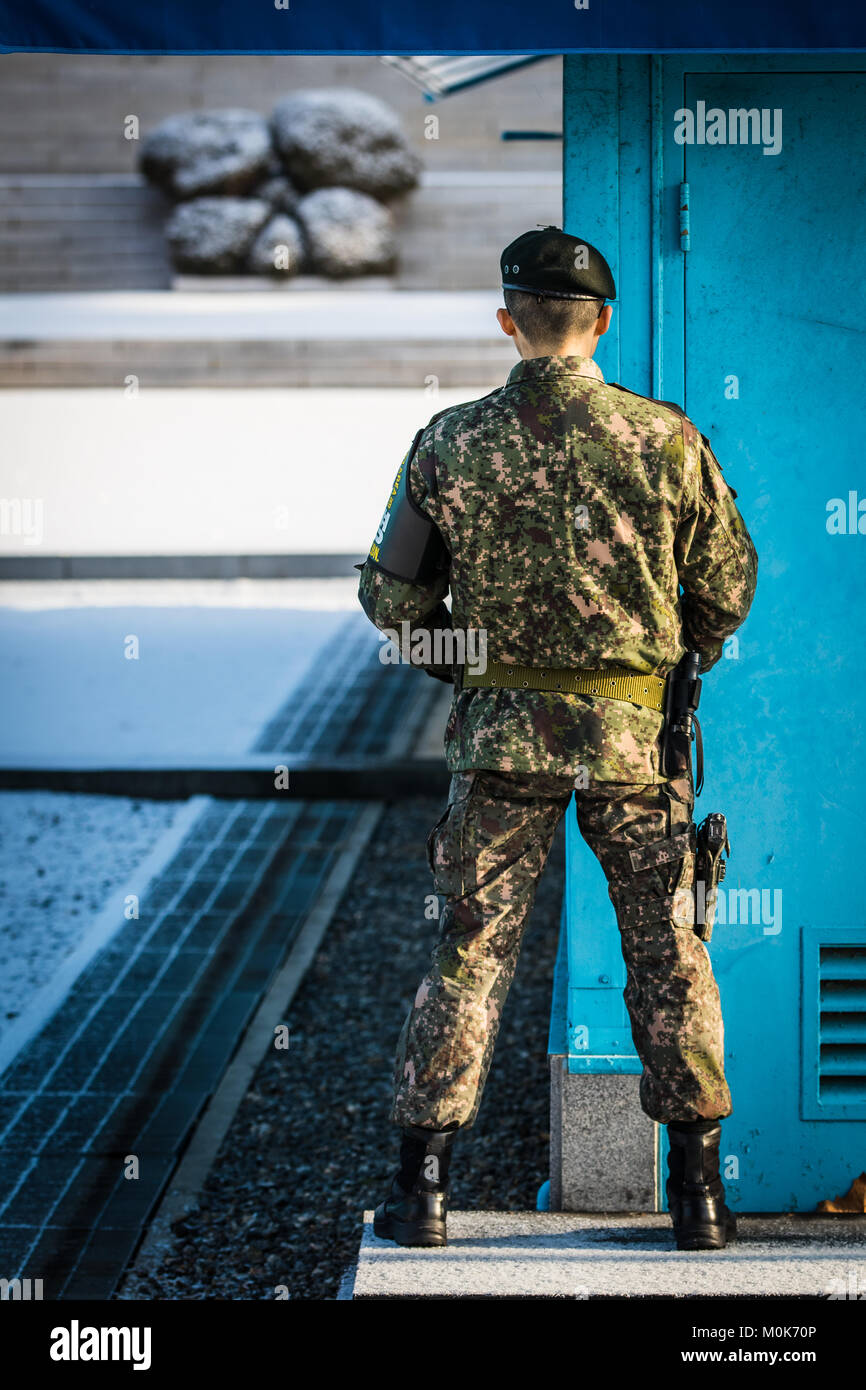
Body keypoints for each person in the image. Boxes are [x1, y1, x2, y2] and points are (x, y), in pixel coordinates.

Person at [356, 226, 758, 1251]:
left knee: (469, 954)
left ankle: (425, 1192)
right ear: (602, 323)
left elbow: (388, 598)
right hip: (634, 739)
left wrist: (472, 663)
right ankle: (697, 1198)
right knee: (666, 951)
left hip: (499, 739)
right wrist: (675, 662)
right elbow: (726, 585)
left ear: (506, 320)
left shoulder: (448, 441)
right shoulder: (665, 437)